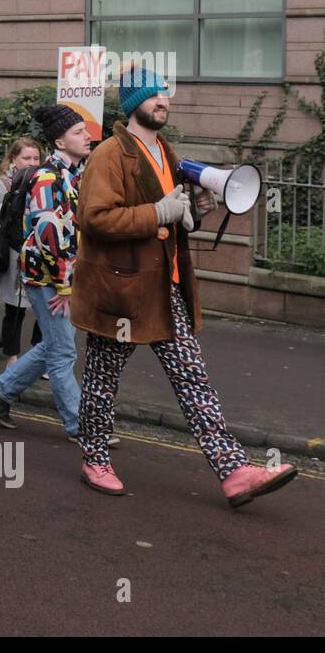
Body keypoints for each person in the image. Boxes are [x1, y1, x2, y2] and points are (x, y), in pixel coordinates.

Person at [72, 68, 296, 506]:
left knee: (194, 380)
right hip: (121, 292)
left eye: (165, 95)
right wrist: (157, 212)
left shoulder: (165, 151)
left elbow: (171, 215)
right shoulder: (111, 155)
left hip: (164, 290)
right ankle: (94, 457)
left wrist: (194, 210)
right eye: (154, 95)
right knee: (102, 381)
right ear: (134, 102)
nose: (164, 101)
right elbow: (94, 218)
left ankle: (233, 471)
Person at [0, 106, 101, 445]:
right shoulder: (48, 177)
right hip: (47, 277)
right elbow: (50, 234)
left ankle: (1, 391)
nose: (87, 135)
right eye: (78, 132)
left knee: (54, 344)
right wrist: (64, 285)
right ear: (60, 141)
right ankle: (81, 427)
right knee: (63, 353)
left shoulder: (74, 173)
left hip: (60, 276)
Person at [0, 137, 43, 364]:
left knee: (45, 311)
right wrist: (8, 208)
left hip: (39, 256)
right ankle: (11, 359)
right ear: (14, 159)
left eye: (36, 158)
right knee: (15, 310)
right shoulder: (0, 184)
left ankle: (37, 359)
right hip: (12, 257)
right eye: (26, 158)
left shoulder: (44, 182)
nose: (32, 162)